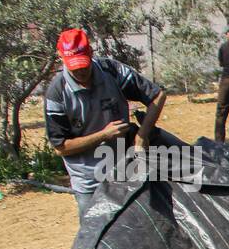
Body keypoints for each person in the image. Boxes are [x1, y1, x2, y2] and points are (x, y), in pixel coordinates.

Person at [43, 28, 167, 218]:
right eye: (74, 67)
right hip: (89, 182)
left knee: (137, 227)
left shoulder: (112, 72)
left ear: (91, 53)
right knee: (96, 238)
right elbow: (61, 147)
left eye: (84, 64)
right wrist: (103, 135)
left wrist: (142, 136)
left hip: (125, 170)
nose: (81, 71)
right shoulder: (57, 93)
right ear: (62, 58)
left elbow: (157, 95)